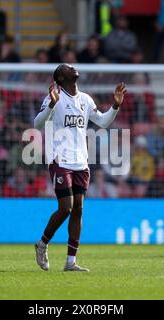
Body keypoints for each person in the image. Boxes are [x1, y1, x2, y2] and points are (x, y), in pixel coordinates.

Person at [33, 64, 127, 272]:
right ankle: (42, 244)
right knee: (66, 207)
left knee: (78, 209)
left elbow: (102, 122)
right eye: (67, 67)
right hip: (60, 160)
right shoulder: (54, 98)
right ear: (60, 77)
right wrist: (50, 106)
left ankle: (70, 262)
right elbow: (37, 124)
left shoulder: (85, 99)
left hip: (81, 162)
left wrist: (115, 106)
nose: (73, 67)